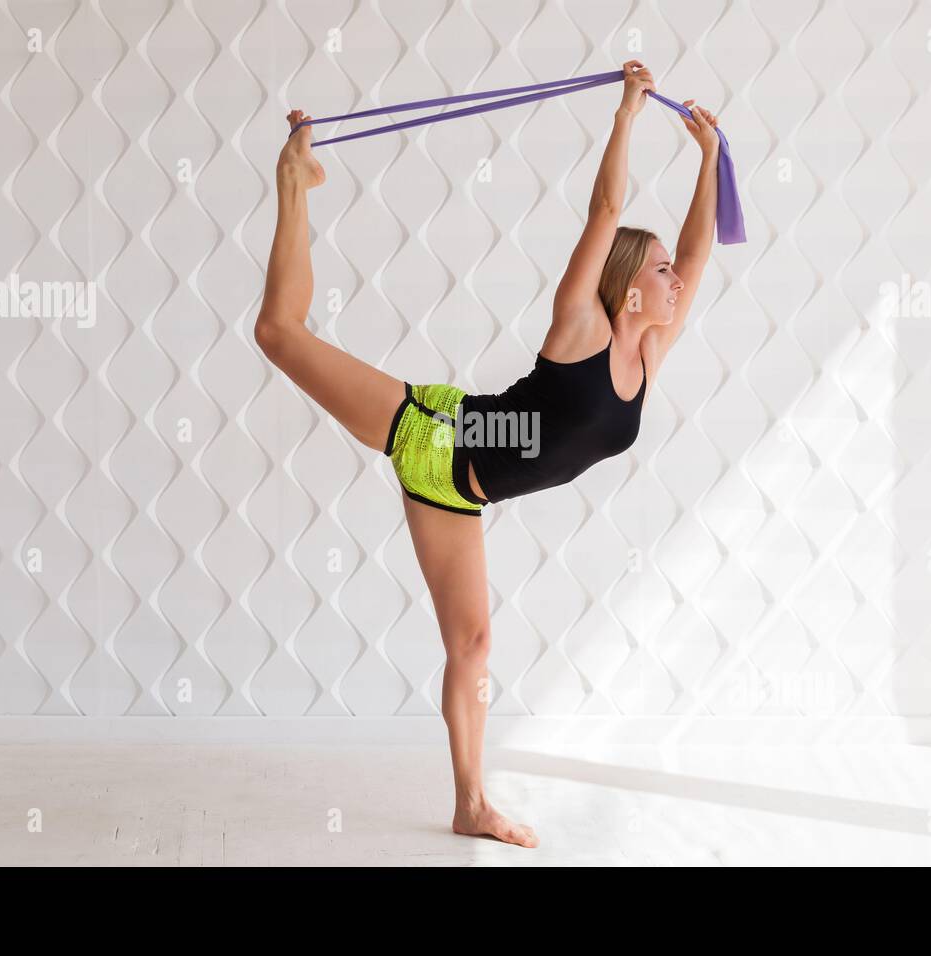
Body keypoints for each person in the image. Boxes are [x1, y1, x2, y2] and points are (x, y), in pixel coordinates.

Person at [255, 61, 721, 848]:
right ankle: (294, 181)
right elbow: (608, 207)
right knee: (280, 334)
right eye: (661, 269)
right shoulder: (583, 328)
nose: (678, 278)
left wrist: (709, 158)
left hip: (460, 492)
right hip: (435, 433)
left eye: (673, 270)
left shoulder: (647, 355)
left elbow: (701, 255)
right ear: (626, 286)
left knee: (472, 647)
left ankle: (470, 804)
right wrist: (627, 114)